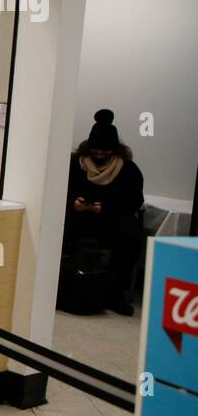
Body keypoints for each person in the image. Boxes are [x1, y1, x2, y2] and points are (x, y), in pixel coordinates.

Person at [64, 108, 145, 315]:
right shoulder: (75, 164)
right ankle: (63, 286)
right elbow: (61, 190)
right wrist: (74, 203)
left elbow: (135, 201)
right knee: (57, 224)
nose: (99, 154)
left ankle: (115, 294)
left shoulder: (128, 170)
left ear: (115, 150)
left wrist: (107, 209)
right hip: (79, 218)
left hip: (111, 221)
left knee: (131, 235)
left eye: (104, 151)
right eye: (96, 150)